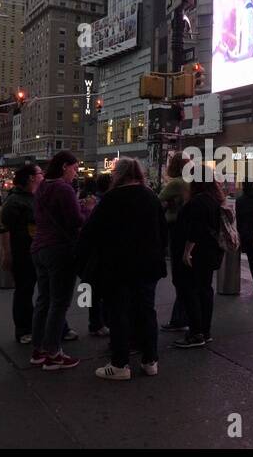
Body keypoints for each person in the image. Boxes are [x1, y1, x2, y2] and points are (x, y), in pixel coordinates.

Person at [77, 158, 167, 381]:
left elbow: (90, 233)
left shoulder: (111, 199)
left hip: (117, 266)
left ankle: (120, 364)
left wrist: (83, 260)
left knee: (119, 313)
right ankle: (150, 360)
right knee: (146, 311)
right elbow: (163, 232)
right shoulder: (151, 197)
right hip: (148, 266)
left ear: (118, 174)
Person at [30, 151, 91, 370]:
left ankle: (38, 349)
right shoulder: (63, 189)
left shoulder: (43, 187)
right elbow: (75, 221)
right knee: (59, 302)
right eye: (75, 168)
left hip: (39, 247)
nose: (76, 173)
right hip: (59, 249)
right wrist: (88, 211)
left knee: (44, 300)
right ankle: (54, 353)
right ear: (65, 166)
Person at [173, 169, 226, 349]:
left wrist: (187, 251)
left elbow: (195, 229)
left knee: (191, 291)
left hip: (198, 253)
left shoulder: (198, 201)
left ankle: (196, 333)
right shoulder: (214, 199)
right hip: (211, 252)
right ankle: (205, 330)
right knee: (205, 290)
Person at [0, 164, 44, 344]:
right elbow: (3, 228)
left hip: (37, 250)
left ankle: (36, 326)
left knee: (40, 291)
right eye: (40, 173)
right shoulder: (14, 201)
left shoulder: (35, 197)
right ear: (31, 178)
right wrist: (7, 254)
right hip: (22, 252)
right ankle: (23, 329)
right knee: (24, 291)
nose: (43, 176)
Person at [159, 153, 192, 333]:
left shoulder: (177, 183)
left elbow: (156, 202)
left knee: (179, 277)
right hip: (190, 231)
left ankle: (180, 318)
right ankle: (182, 316)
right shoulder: (193, 181)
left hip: (176, 229)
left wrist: (168, 204)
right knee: (186, 276)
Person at [84, 173, 113, 338]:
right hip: (100, 252)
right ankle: (98, 323)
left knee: (90, 288)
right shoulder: (104, 203)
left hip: (90, 252)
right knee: (99, 289)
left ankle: (94, 322)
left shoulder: (94, 200)